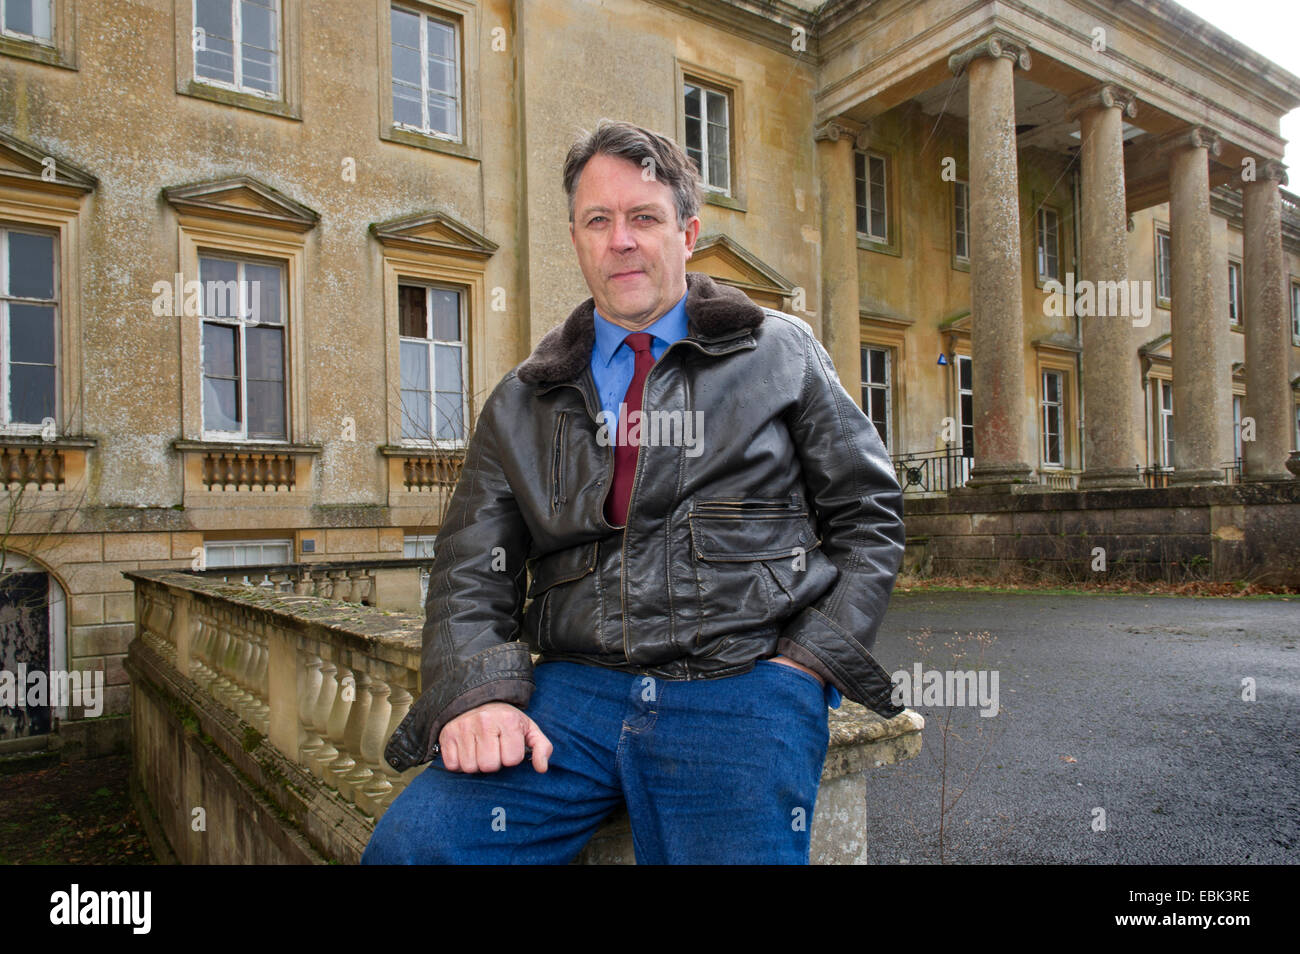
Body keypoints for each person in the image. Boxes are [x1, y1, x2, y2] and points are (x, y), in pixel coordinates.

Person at [362, 118, 905, 864]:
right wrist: (477, 688)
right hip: (573, 694)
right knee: (412, 851)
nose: (621, 239)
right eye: (598, 220)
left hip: (739, 685)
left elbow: (868, 512)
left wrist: (808, 662)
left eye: (643, 217)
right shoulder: (523, 399)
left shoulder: (779, 352)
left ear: (687, 232)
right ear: (578, 239)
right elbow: (466, 566)